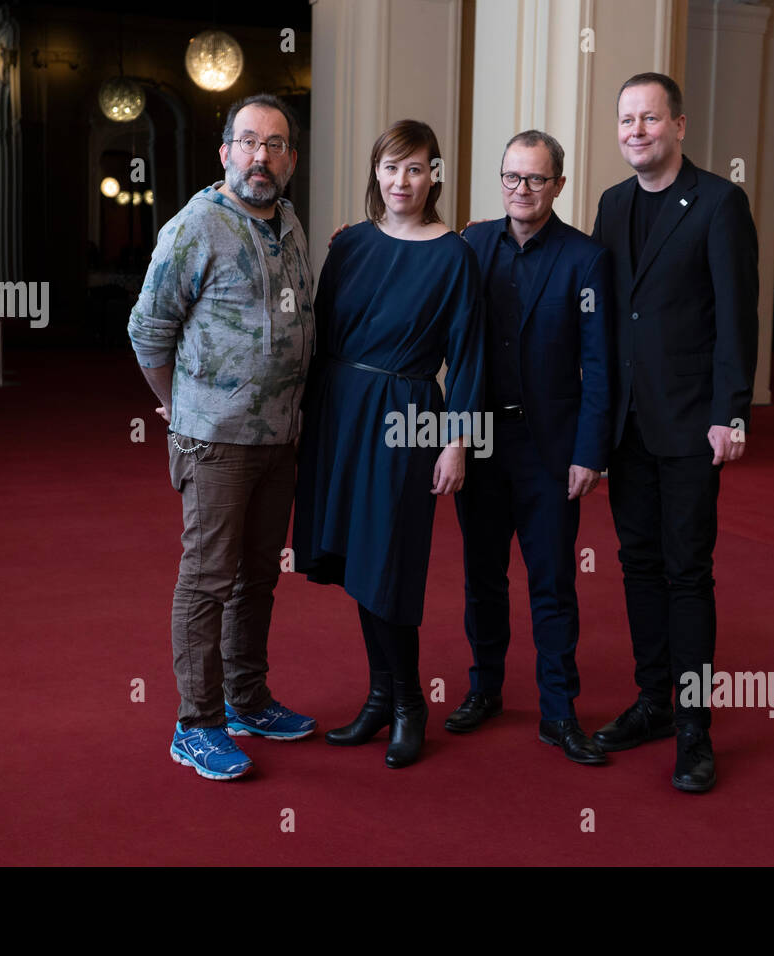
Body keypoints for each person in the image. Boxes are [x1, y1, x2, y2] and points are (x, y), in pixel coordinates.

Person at [128, 93, 318, 782]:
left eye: (274, 145)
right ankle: (196, 723)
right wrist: (180, 407)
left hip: (279, 435)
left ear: (290, 160)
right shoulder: (193, 228)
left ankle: (248, 699)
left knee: (259, 576)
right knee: (207, 579)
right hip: (215, 440)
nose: (260, 156)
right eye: (248, 142)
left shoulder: (290, 221)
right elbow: (146, 331)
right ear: (225, 153)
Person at [293, 119, 484, 770]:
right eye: (390, 167)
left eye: (415, 168)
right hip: (340, 412)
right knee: (355, 558)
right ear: (376, 172)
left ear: (434, 175)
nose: (401, 181)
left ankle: (410, 704)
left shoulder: (455, 256)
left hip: (408, 415)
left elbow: (469, 358)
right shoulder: (348, 246)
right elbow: (317, 338)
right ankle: (379, 697)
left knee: (390, 559)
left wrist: (457, 438)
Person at [590, 72, 758, 792]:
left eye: (649, 119)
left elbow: (735, 316)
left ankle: (695, 729)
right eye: (627, 120)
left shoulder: (720, 203)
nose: (636, 131)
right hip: (626, 424)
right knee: (637, 565)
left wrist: (732, 410)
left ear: (678, 127)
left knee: (688, 574)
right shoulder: (612, 204)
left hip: (692, 422)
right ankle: (653, 701)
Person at [449, 130, 615, 765]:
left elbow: (599, 365)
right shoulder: (469, 244)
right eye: (512, 178)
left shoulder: (585, 258)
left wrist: (589, 451)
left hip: (551, 446)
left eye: (536, 180)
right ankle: (484, 690)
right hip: (481, 438)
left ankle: (559, 712)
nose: (521, 190)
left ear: (559, 186)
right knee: (481, 576)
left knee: (551, 582)